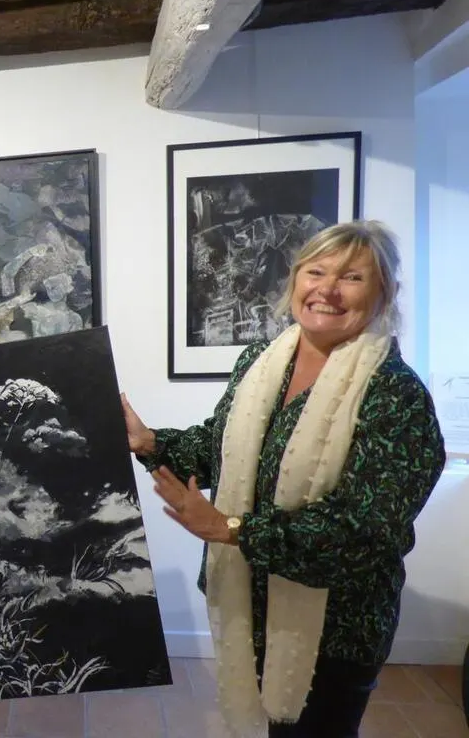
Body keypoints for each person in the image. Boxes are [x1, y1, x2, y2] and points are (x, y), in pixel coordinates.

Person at [121, 220, 445, 738]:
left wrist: (232, 529)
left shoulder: (395, 393)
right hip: (248, 603)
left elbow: (367, 527)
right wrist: (148, 442)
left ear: (384, 293)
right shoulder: (260, 362)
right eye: (315, 272)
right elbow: (221, 448)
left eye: (352, 277)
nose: (327, 289)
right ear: (294, 281)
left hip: (336, 627)